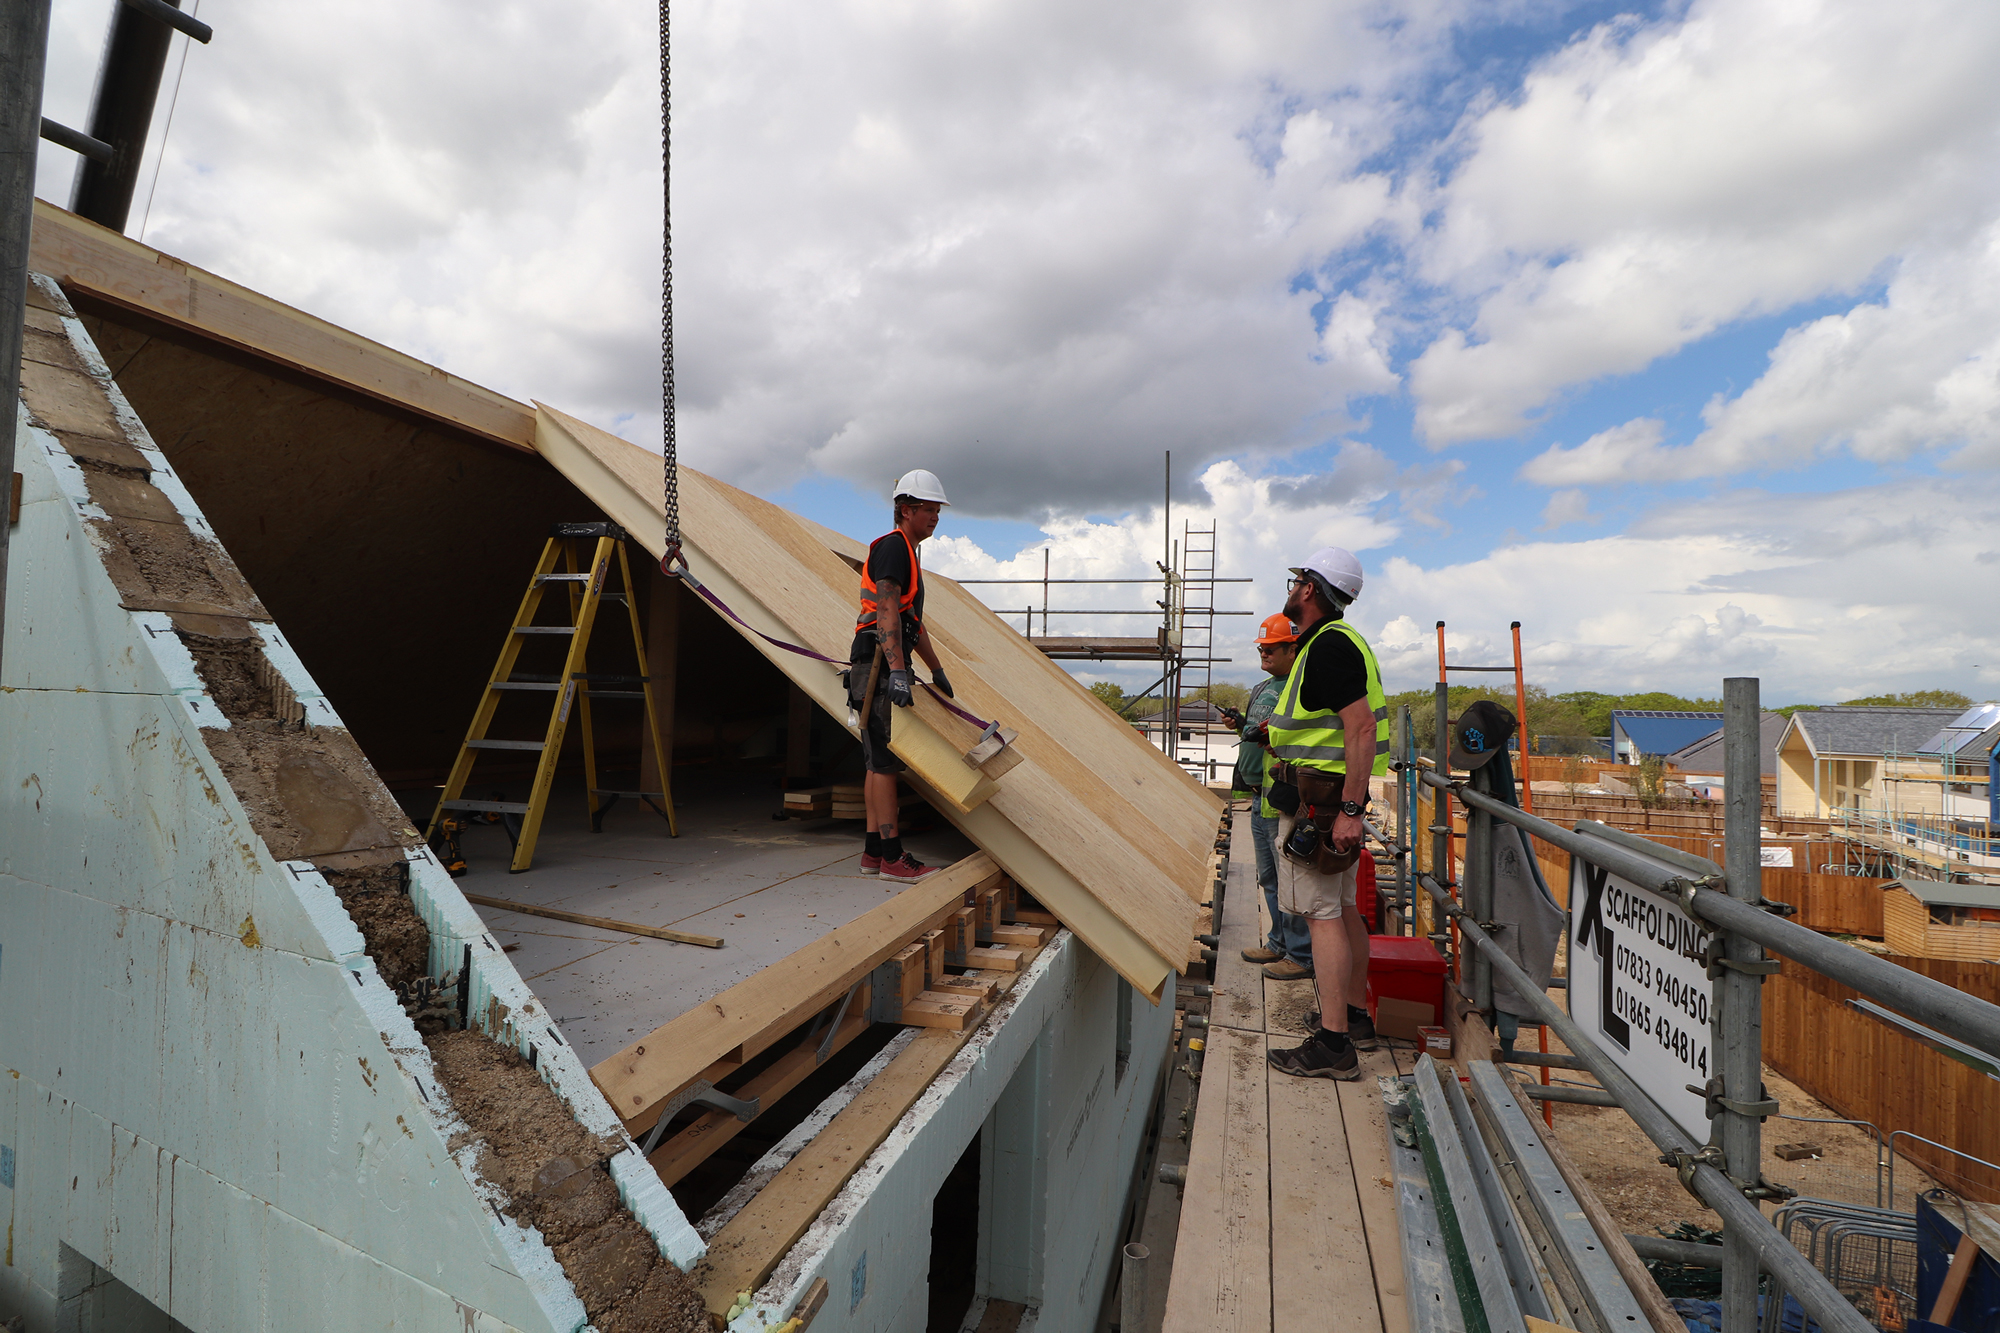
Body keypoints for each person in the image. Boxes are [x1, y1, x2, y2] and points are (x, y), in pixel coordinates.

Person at [1263, 546, 1390, 1080]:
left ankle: (1334, 1045)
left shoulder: (1328, 646)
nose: (1290, 589)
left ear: (1309, 588)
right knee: (1341, 911)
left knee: (1320, 917)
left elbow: (1359, 728)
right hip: (1330, 799)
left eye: (1295, 580)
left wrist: (1350, 812)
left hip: (1322, 805)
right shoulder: (1334, 642)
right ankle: (1355, 1016)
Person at [851, 469, 954, 880]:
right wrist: (897, 669)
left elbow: (912, 619)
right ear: (906, 509)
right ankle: (893, 859)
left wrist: (936, 668)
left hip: (882, 658)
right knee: (885, 763)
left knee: (877, 762)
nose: (935, 517)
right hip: (877, 660)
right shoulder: (894, 549)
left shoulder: (908, 552)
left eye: (937, 511)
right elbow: (888, 610)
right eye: (929, 509)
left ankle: (874, 855)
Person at [1233, 615, 1314, 978]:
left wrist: (1265, 738)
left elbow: (1297, 739)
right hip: (1258, 794)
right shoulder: (1263, 687)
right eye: (1261, 648)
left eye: (1270, 648)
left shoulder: (1301, 689)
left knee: (1288, 880)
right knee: (1268, 878)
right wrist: (1240, 726)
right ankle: (1278, 944)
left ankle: (1299, 955)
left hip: (1280, 797)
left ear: (1292, 648)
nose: (1263, 653)